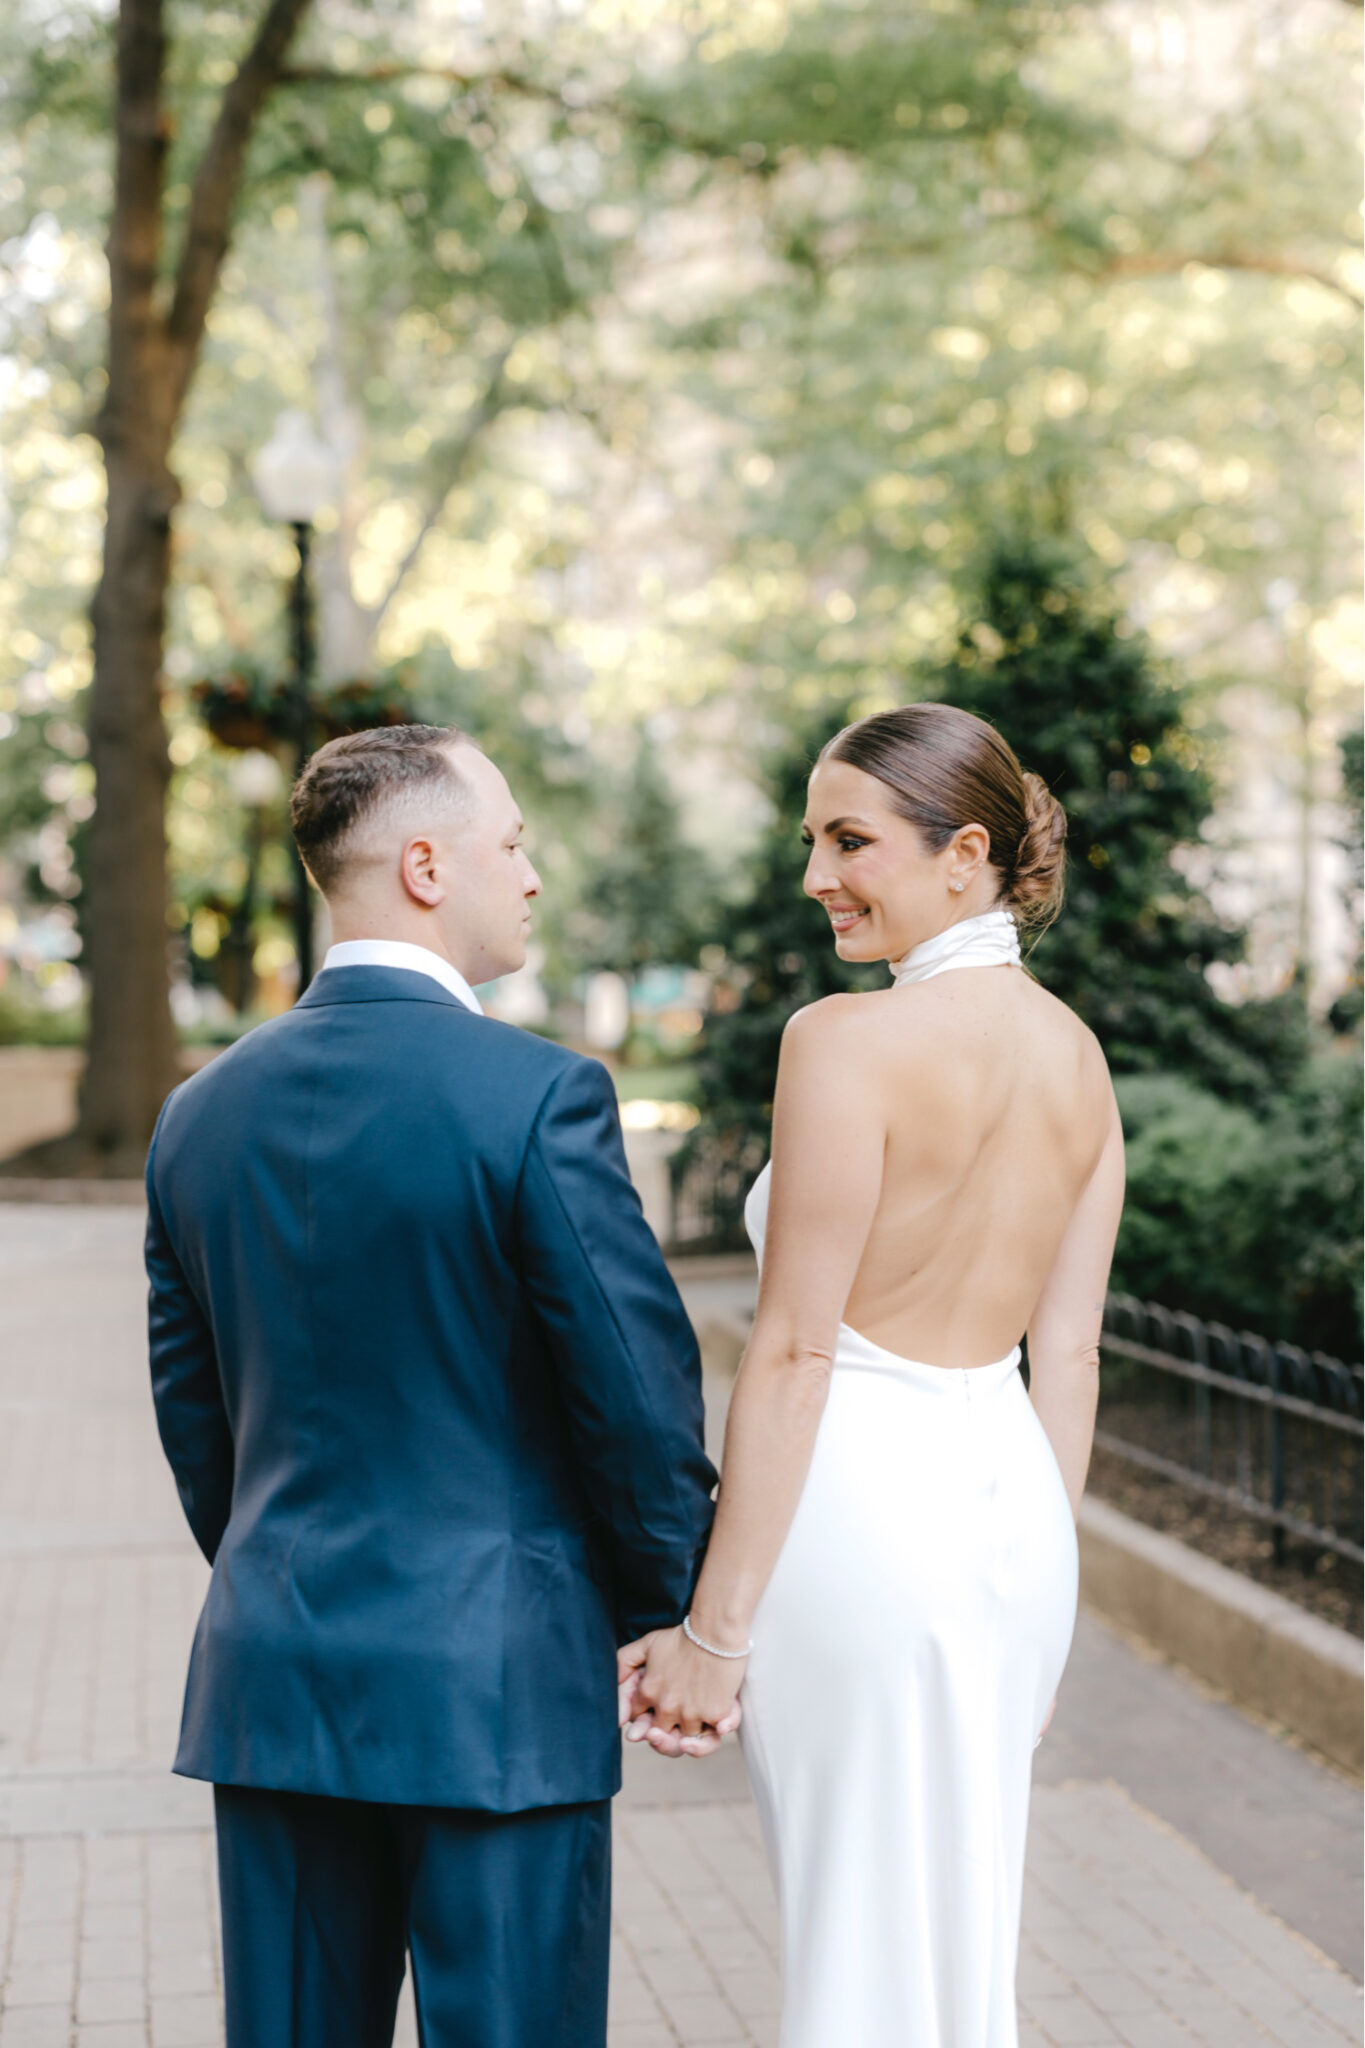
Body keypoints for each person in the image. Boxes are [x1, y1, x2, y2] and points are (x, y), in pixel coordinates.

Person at [145, 723, 717, 2048]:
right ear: (422, 865)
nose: (528, 873)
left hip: (275, 1676)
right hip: (497, 1685)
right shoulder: (537, 1100)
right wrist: (671, 1614)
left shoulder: (199, 1113)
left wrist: (276, 1573)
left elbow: (198, 1423)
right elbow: (632, 1393)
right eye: (509, 843)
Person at [620, 703, 1125, 2048]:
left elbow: (791, 1350)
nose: (813, 876)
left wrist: (710, 1637)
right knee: (962, 1936)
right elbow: (1065, 1353)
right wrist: (1050, 1602)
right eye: (809, 840)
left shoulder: (839, 1043)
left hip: (857, 1512)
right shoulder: (1079, 1060)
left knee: (856, 1937)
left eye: (848, 840)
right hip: (1010, 1515)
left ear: (964, 852)